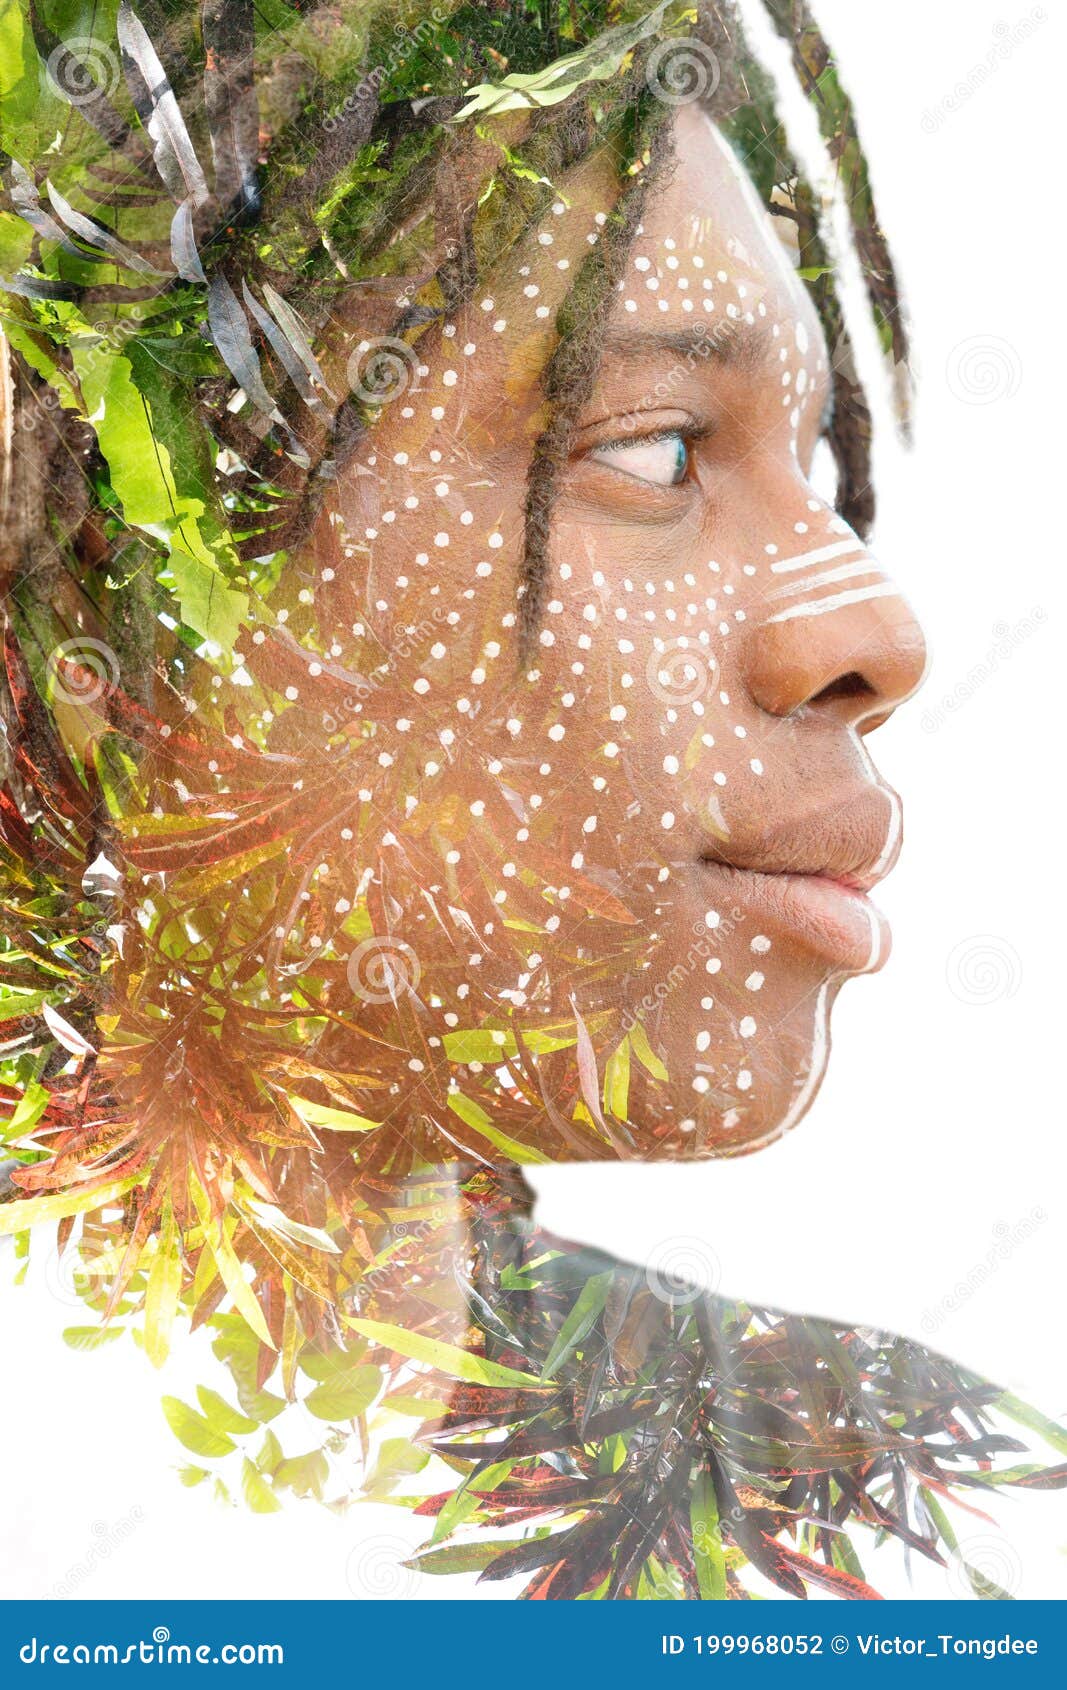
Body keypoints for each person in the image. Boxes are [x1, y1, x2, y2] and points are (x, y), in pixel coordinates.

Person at [0, 0, 1062, 1600]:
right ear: (115, 581)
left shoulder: (896, 1527)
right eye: (653, 452)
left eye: (816, 465)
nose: (876, 636)